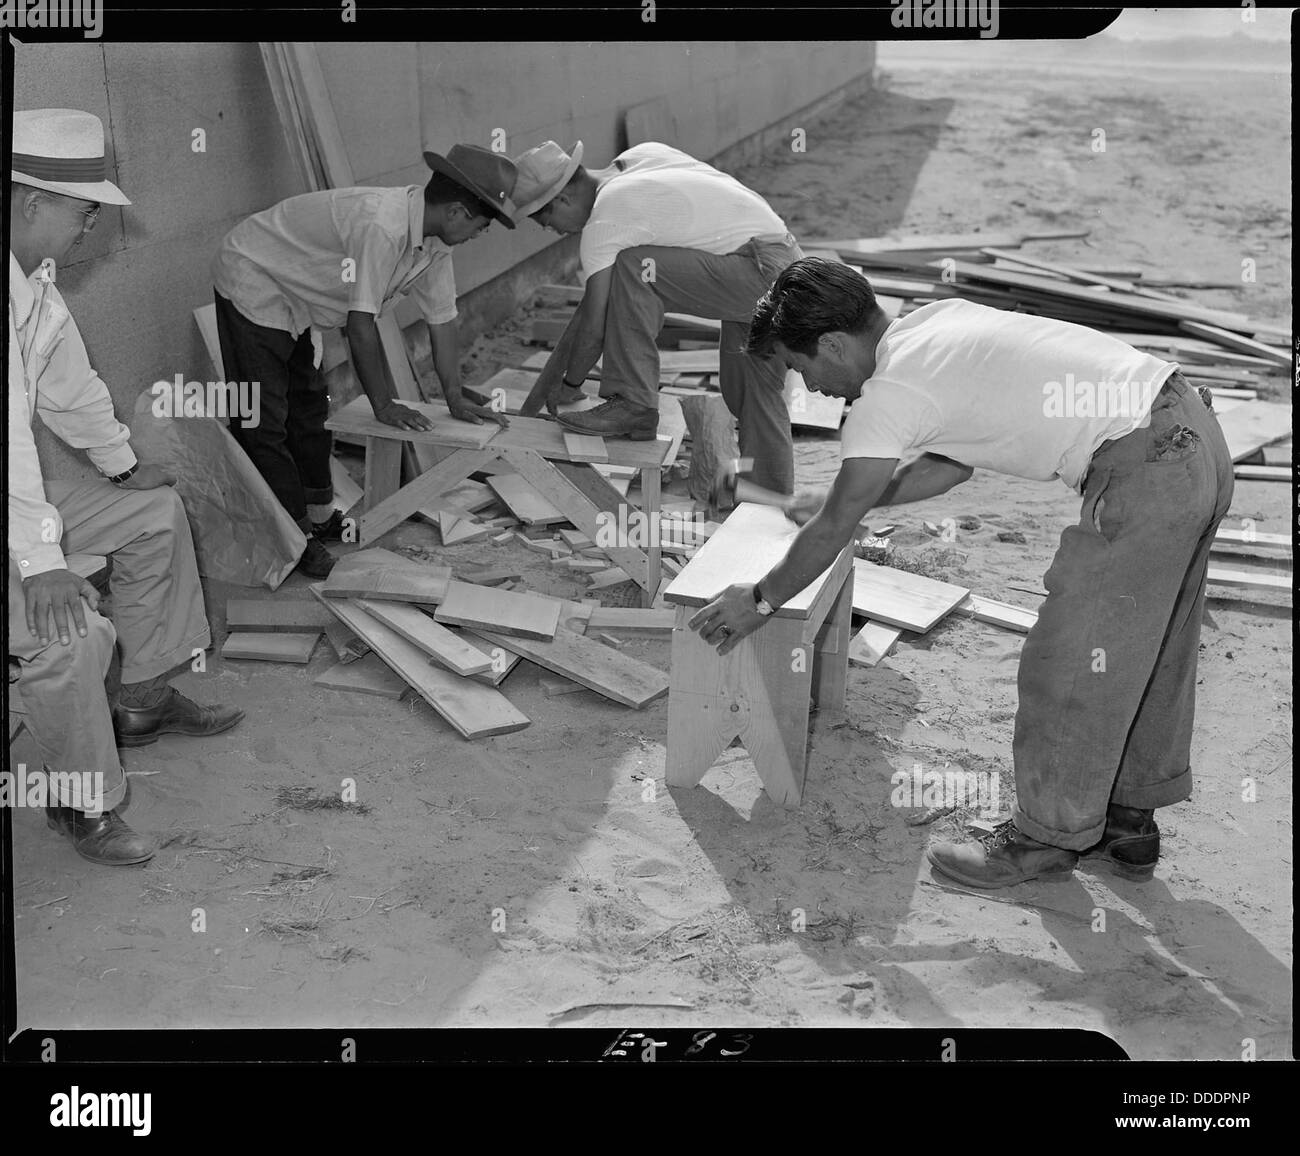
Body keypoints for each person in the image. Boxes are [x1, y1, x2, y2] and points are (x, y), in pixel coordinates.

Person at [687, 257, 1234, 888]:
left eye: (801, 367)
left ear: (833, 344)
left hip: (1147, 465)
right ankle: (1127, 822)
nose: (811, 388)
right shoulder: (932, 326)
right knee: (1148, 644)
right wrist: (858, 499)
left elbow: (836, 529)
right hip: (1191, 431)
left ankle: (1043, 842)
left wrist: (758, 599)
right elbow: (951, 463)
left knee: (1069, 660)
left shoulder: (885, 397)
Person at [8, 109, 245, 866]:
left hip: (15, 501)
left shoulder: (34, 283)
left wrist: (119, 466)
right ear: (30, 201)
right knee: (68, 632)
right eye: (83, 212)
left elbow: (67, 388)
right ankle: (82, 803)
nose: (89, 229)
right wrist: (42, 559)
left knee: (151, 511)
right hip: (15, 509)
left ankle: (140, 700)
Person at [212, 144, 518, 577]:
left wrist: (453, 396)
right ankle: (292, 540)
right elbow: (360, 326)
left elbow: (443, 319)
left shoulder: (434, 242)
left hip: (298, 293)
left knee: (310, 407)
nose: (477, 236)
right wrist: (384, 405)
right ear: (455, 213)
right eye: (481, 227)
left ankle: (319, 518)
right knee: (264, 420)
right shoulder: (383, 226)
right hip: (255, 275)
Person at [512, 140, 803, 494]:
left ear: (563, 200)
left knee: (632, 268)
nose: (551, 230)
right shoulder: (640, 156)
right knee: (750, 388)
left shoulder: (607, 215)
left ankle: (634, 402)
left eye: (545, 220)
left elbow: (595, 322)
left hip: (756, 271)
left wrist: (571, 385)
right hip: (780, 263)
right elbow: (596, 306)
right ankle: (769, 502)